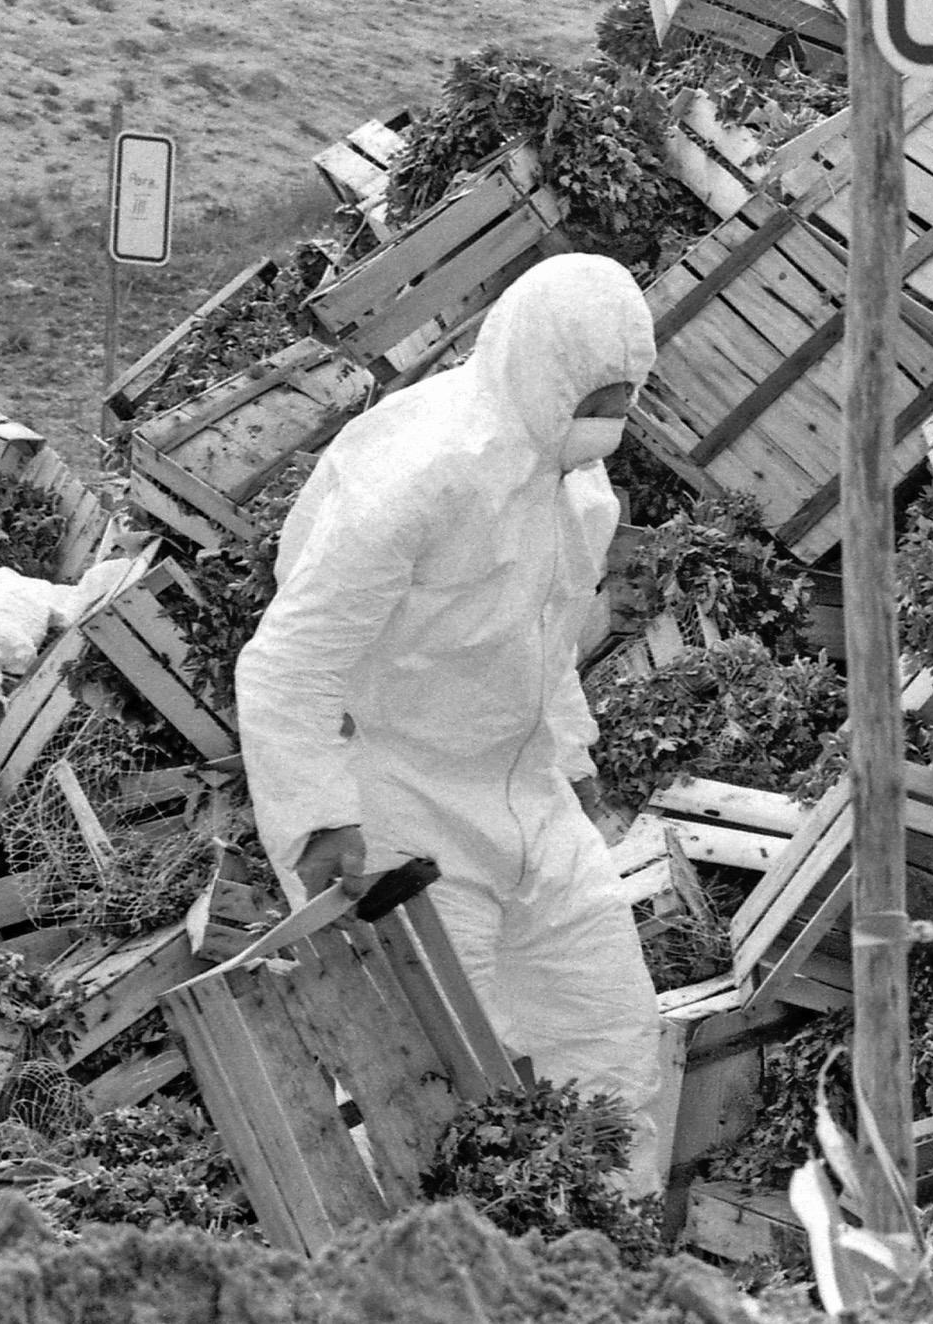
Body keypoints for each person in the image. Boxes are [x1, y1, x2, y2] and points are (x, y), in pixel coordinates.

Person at [235, 252, 666, 1181]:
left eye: (626, 396)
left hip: (532, 803)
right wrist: (319, 822)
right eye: (597, 396)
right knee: (430, 1091)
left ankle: (614, 1248)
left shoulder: (582, 492)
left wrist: (576, 762)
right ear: (543, 370)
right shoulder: (421, 476)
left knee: (612, 1045)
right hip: (404, 811)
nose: (612, 418)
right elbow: (289, 662)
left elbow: (546, 643)